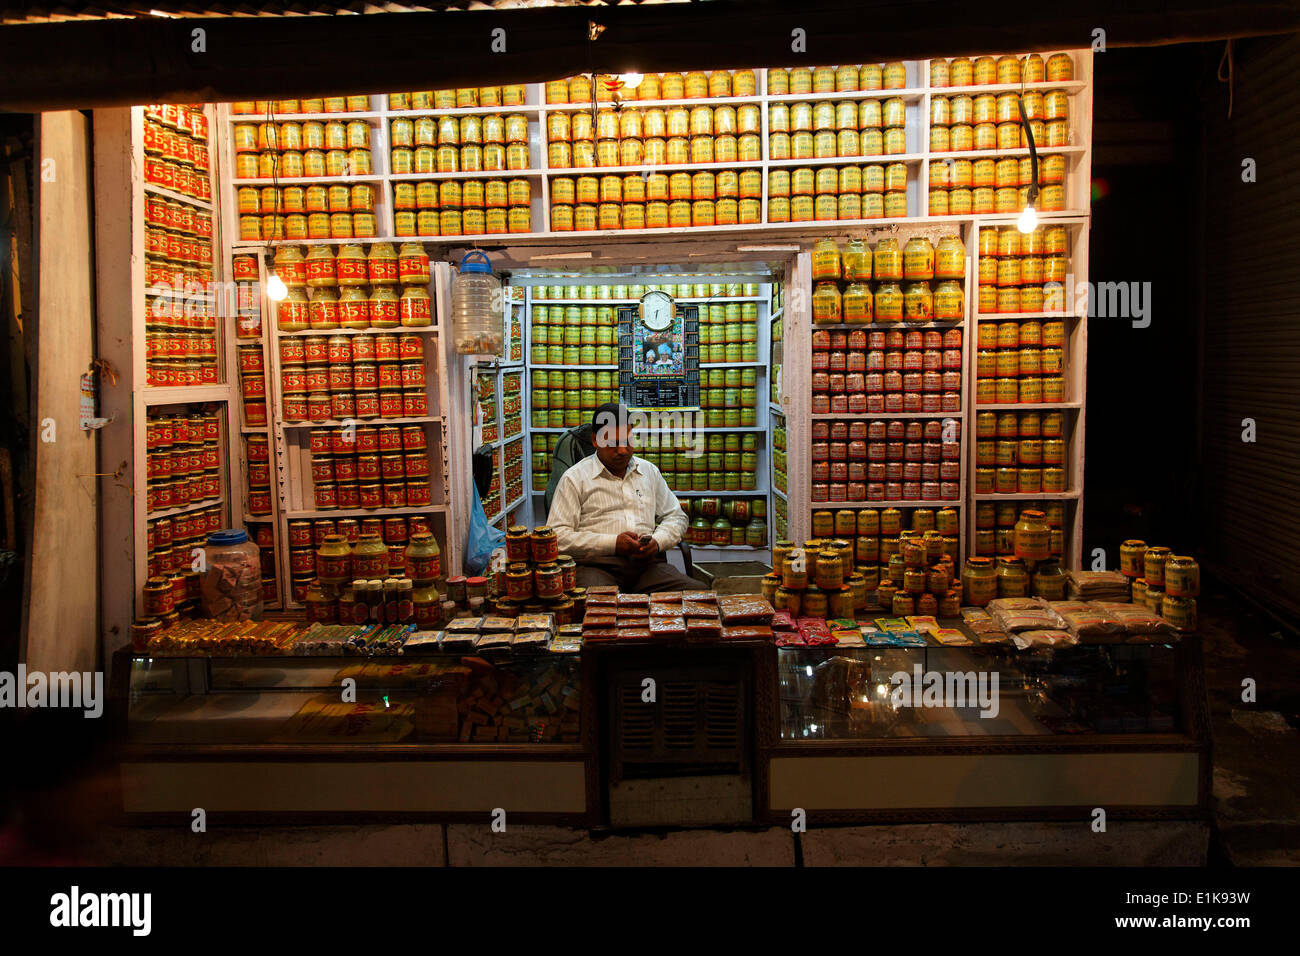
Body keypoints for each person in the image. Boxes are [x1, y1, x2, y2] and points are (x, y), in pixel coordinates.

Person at [547, 402, 702, 593]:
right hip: (596, 568)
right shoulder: (575, 478)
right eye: (613, 442)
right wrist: (613, 544)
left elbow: (676, 517)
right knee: (601, 607)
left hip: (648, 567)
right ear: (595, 441)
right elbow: (557, 538)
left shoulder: (649, 471)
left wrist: (658, 541)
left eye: (627, 440)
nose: (622, 450)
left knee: (699, 596)